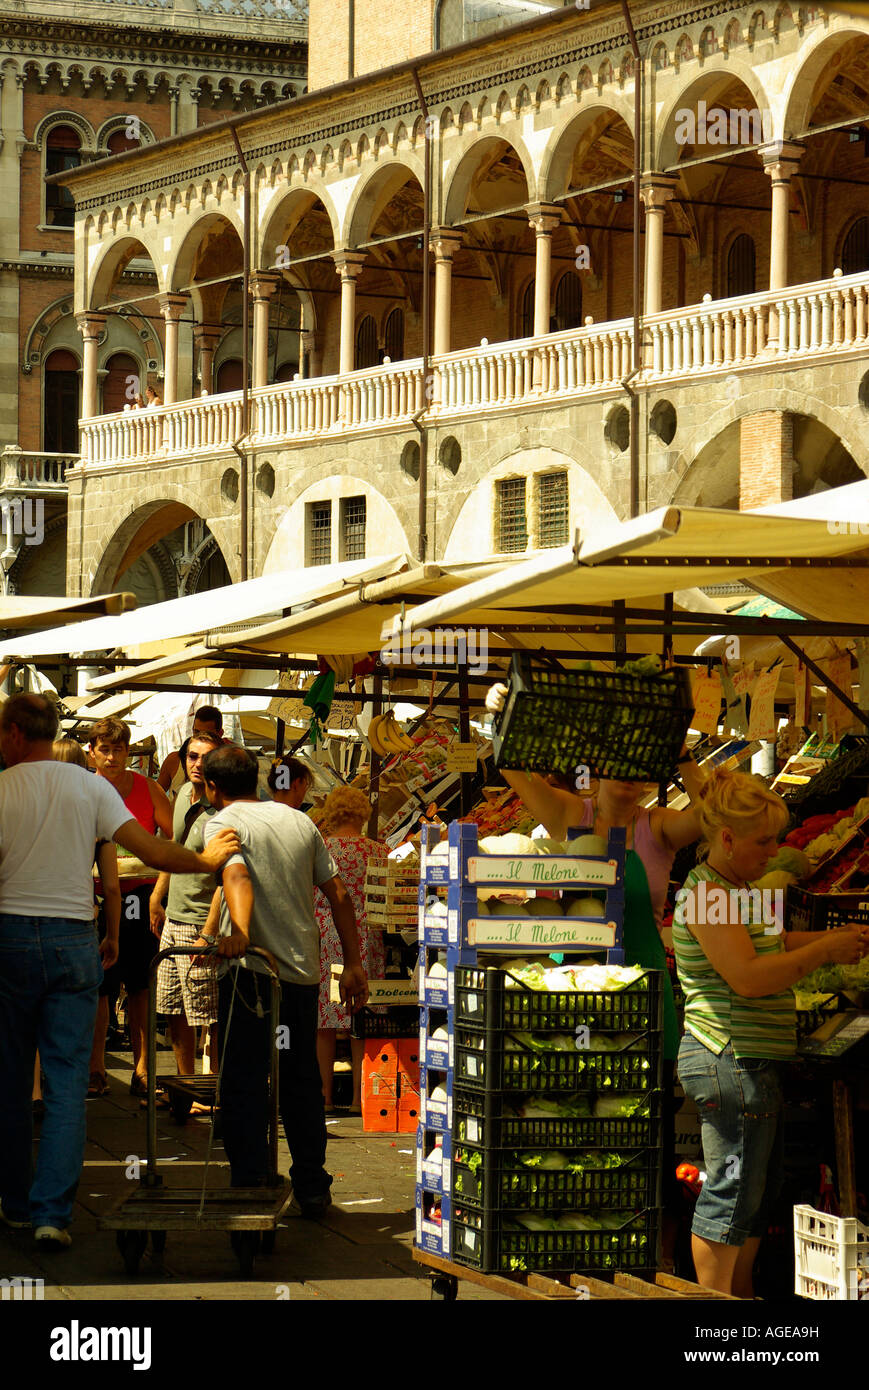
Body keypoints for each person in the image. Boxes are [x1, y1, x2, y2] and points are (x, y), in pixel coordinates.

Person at [0, 694, 239, 1249]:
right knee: (64, 1083)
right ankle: (51, 1213)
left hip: (10, 937)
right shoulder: (92, 789)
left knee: (11, 1081)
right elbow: (151, 848)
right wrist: (205, 860)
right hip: (71, 938)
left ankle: (15, 1204)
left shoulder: (4, 787)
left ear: (13, 733)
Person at [674, 768, 869, 1297]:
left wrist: (837, 936)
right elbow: (749, 977)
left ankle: (741, 1297)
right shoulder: (708, 895)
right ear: (728, 839)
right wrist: (825, 951)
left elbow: (774, 945)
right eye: (763, 841)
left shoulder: (740, 889)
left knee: (752, 1198)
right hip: (729, 1059)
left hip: (752, 1062)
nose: (772, 849)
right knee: (730, 1193)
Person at [196, 745, 368, 1216]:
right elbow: (339, 897)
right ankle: (311, 1182)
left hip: (252, 972)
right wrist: (353, 964)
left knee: (243, 1082)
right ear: (257, 779)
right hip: (301, 975)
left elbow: (236, 879)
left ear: (211, 787)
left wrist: (242, 933)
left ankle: (251, 1179)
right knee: (299, 1079)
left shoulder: (221, 824)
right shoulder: (300, 821)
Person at [89, 716, 174, 1098]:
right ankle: (97, 1068)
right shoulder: (82, 789)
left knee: (140, 985)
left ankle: (143, 1069)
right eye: (104, 749)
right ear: (92, 751)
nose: (111, 757)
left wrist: (159, 892)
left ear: (128, 752)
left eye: (118, 749)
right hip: (91, 898)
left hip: (139, 896)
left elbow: (175, 838)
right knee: (99, 989)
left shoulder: (147, 787)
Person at [149, 732, 223, 1094]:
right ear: (182, 759)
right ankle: (185, 1084)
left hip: (201, 923)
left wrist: (209, 930)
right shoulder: (180, 798)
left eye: (205, 758)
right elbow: (173, 849)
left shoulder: (221, 810)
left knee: (208, 1013)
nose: (197, 764)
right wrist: (157, 896)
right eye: (192, 756)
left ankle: (211, 1091)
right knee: (174, 1007)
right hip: (174, 918)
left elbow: (229, 878)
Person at [51, 737, 122, 1098]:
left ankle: (34, 1087)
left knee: (33, 1006)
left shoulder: (29, 805)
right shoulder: (95, 813)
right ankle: (88, 1071)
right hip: (81, 921)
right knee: (90, 1001)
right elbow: (111, 887)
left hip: (32, 919)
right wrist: (113, 935)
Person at [312, 787, 388, 1114]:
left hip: (326, 938)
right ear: (361, 814)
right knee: (361, 1016)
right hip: (365, 939)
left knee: (325, 1022)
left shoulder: (321, 849)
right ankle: (361, 1099)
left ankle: (323, 1097)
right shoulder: (378, 852)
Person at [158, 705, 225, 796]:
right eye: (196, 732)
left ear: (220, 734)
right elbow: (156, 795)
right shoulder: (174, 760)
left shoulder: (227, 765)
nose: (200, 738)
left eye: (206, 734)